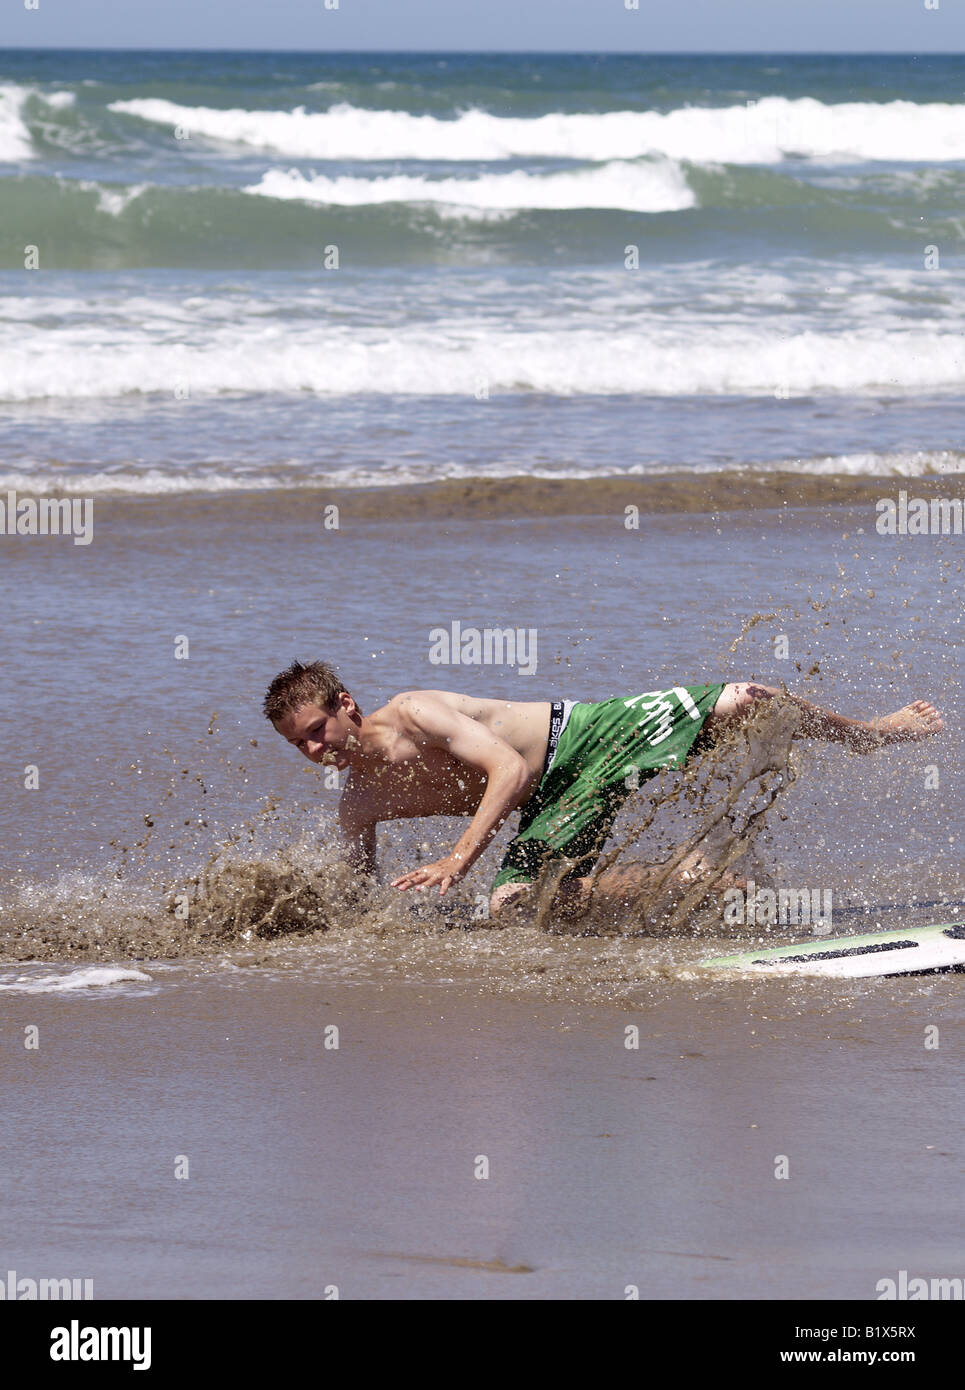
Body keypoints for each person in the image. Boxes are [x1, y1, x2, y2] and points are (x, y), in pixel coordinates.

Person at [263, 660, 943, 919]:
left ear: (346, 704)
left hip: (582, 737)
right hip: (553, 802)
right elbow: (357, 897)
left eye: (318, 730)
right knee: (512, 907)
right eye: (301, 745)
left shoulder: (415, 713)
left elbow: (508, 769)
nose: (315, 750)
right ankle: (693, 878)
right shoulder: (359, 803)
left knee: (745, 698)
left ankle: (868, 733)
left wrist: (458, 859)